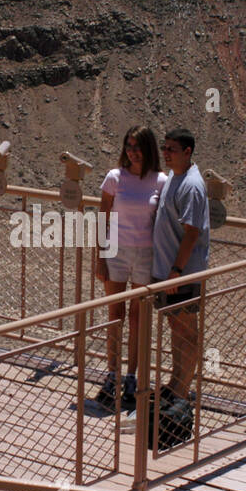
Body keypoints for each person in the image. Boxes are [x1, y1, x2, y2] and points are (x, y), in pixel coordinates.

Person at [93, 125, 166, 409]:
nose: (133, 152)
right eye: (129, 146)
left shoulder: (160, 181)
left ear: (148, 149)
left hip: (145, 254)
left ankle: (132, 375)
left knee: (138, 317)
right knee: (115, 315)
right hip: (116, 252)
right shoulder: (114, 178)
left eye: (138, 146)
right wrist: (99, 258)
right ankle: (112, 373)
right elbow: (102, 219)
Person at [151, 128, 210, 418]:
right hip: (168, 272)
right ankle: (175, 385)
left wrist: (176, 271)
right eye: (165, 148)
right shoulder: (176, 178)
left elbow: (192, 232)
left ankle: (182, 392)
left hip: (181, 275)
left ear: (188, 152)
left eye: (172, 149)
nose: (166, 153)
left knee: (186, 332)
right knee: (177, 330)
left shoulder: (192, 185)